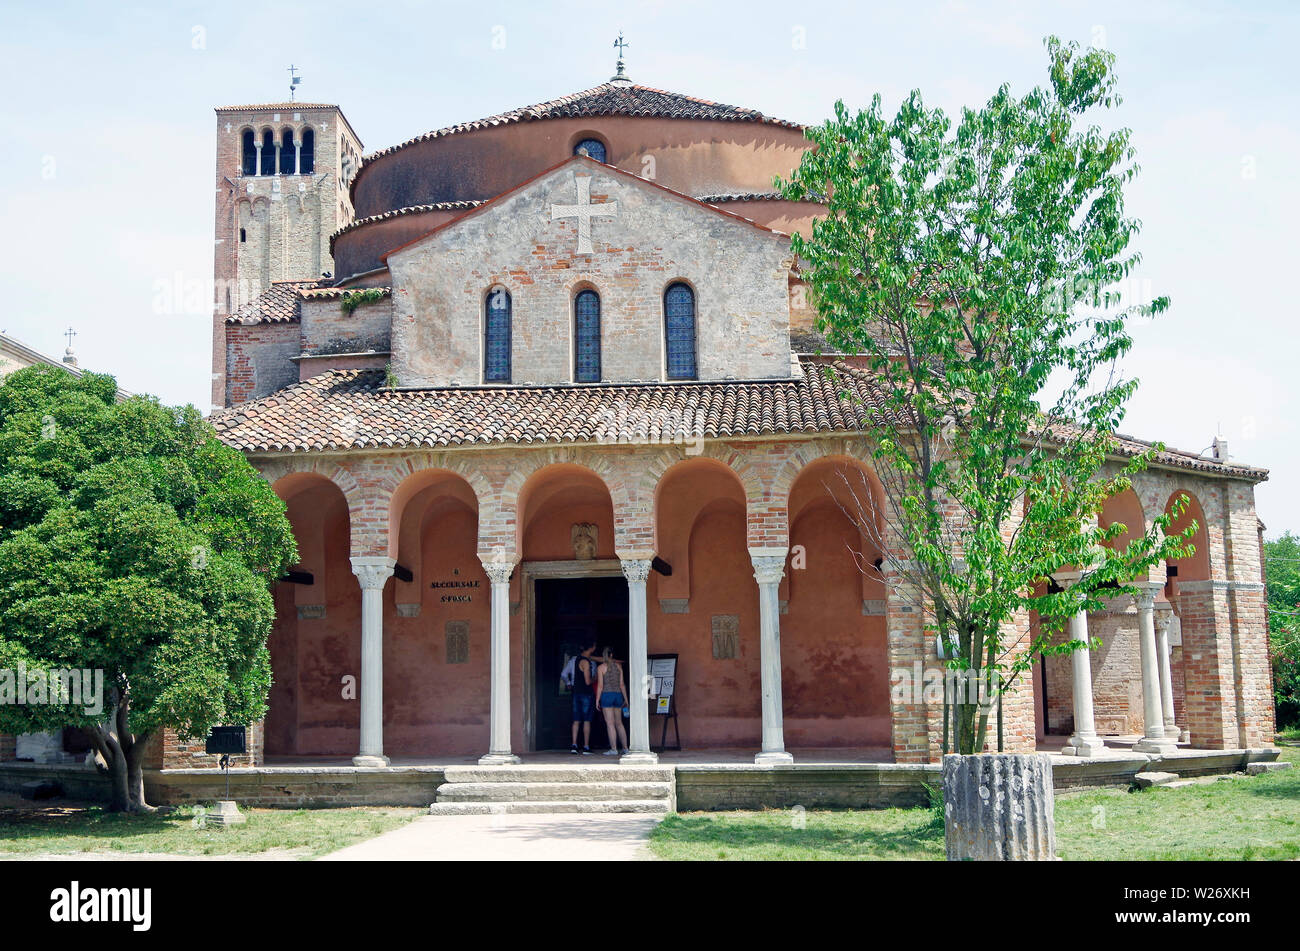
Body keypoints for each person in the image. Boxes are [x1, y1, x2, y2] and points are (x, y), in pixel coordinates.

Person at [595, 647, 630, 756]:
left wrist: (597, 700)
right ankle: (625, 748)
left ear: (605, 656)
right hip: (618, 695)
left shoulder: (601, 668)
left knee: (610, 724)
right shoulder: (619, 667)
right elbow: (622, 685)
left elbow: (600, 686)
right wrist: (626, 699)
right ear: (612, 655)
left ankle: (614, 749)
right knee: (619, 723)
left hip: (607, 695)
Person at [567, 640, 598, 755]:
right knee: (586, 720)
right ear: (591, 648)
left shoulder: (577, 659)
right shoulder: (586, 662)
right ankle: (586, 746)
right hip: (586, 693)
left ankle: (574, 745)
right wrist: (596, 678)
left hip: (576, 692)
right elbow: (588, 681)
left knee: (576, 720)